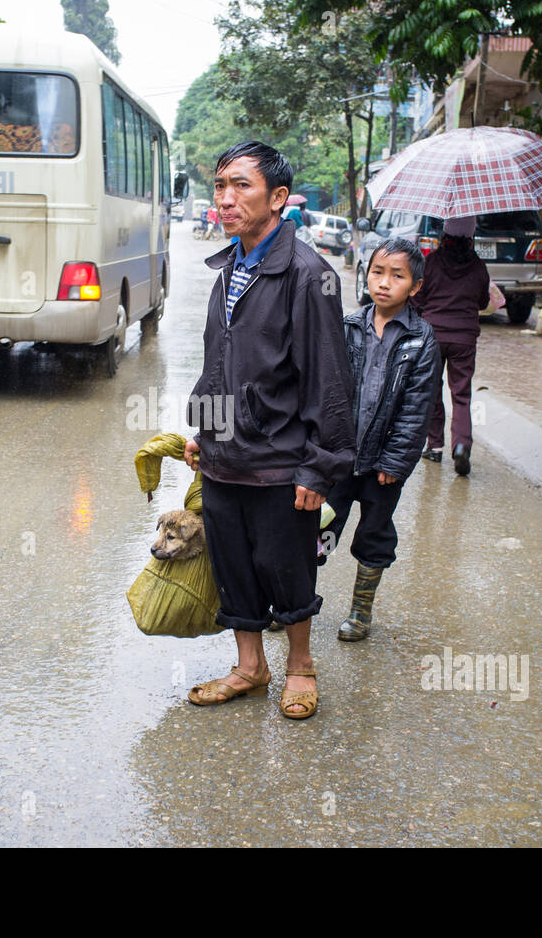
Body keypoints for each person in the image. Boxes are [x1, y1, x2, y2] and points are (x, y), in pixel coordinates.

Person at [184, 141, 355, 720]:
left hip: (283, 460)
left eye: (241, 186)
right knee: (233, 562)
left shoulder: (309, 276)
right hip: (226, 456)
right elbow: (217, 365)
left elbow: (330, 380)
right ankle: (250, 667)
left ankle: (301, 666)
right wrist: (205, 435)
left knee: (287, 565)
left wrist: (321, 465)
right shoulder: (229, 268)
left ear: (278, 198)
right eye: (220, 186)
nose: (226, 199)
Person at [320, 237, 439, 641]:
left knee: (374, 534)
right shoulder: (349, 327)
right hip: (339, 458)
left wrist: (396, 462)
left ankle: (360, 611)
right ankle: (296, 602)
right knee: (316, 527)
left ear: (416, 286)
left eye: (397, 275)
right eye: (377, 272)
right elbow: (329, 389)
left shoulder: (422, 341)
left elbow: (417, 409)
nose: (385, 282)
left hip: (381, 467)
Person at [413, 215, 490, 475]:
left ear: (444, 237)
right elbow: (482, 301)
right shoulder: (478, 266)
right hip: (465, 339)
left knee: (433, 390)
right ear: (470, 240)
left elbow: (417, 298)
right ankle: (461, 447)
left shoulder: (431, 262)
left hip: (433, 335)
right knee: (462, 395)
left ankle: (434, 447)